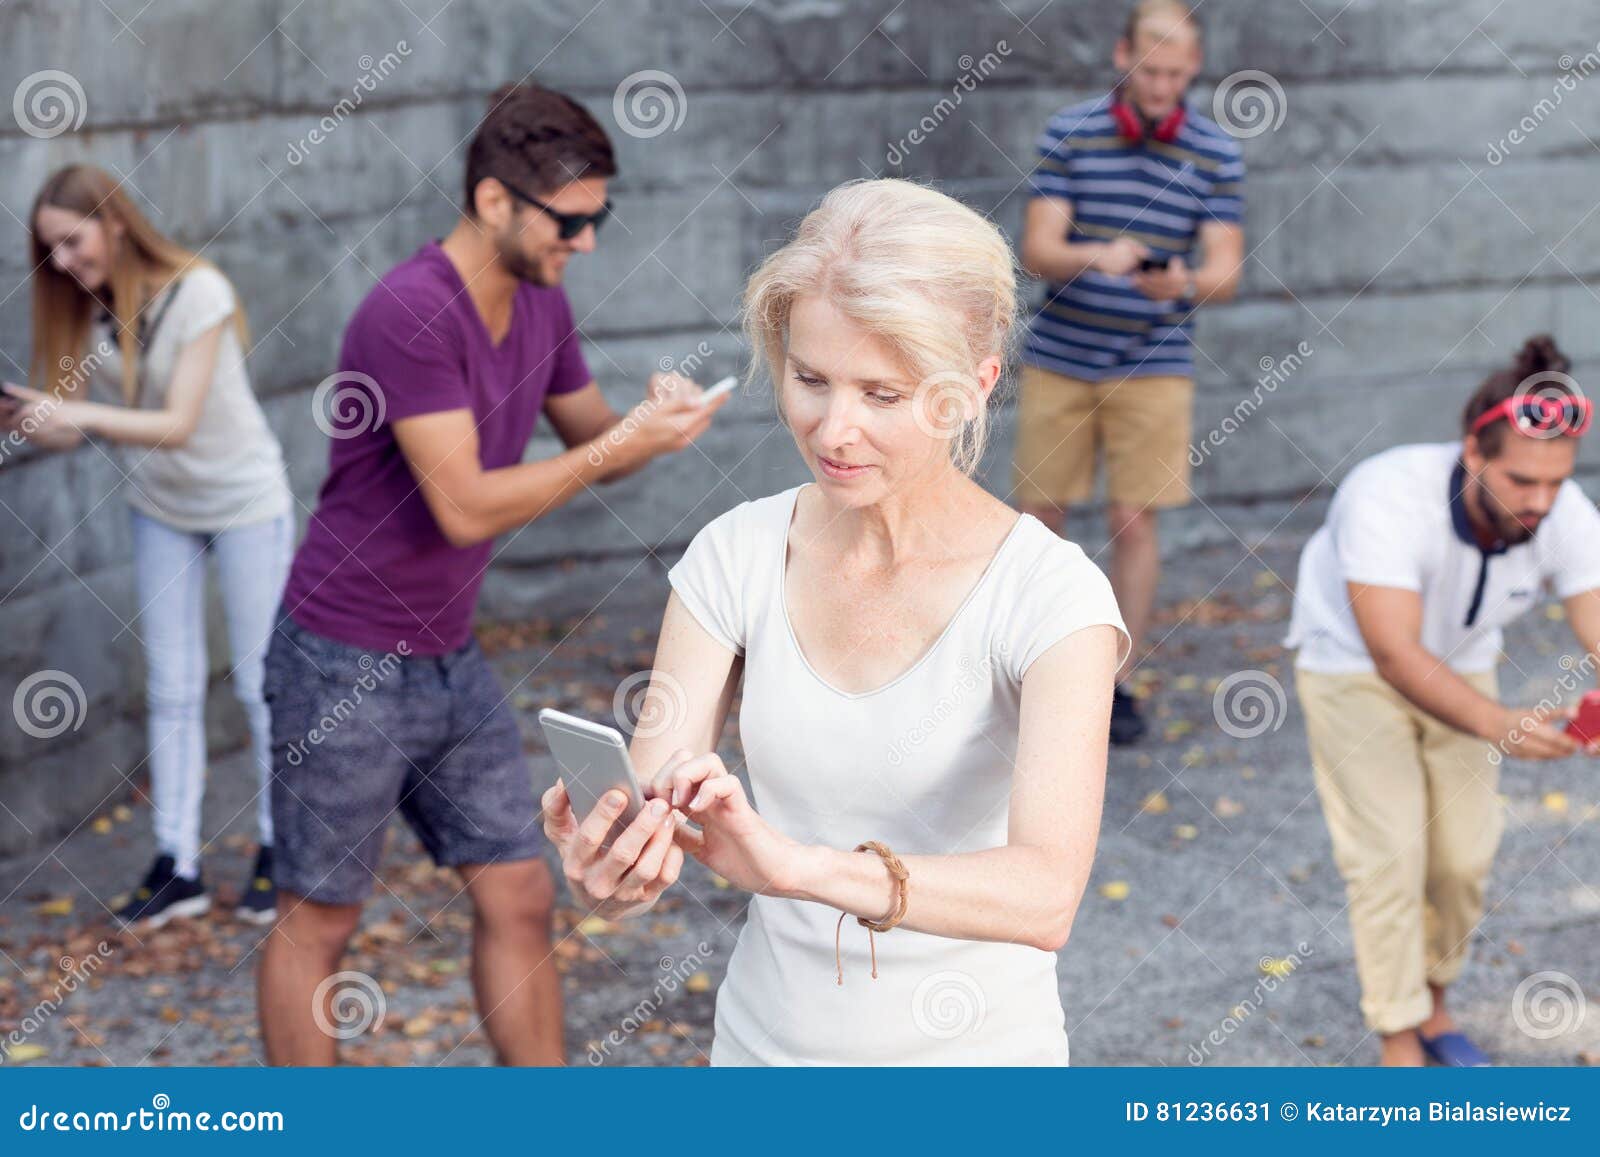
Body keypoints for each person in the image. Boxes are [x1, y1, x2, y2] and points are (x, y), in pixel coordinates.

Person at [540, 179, 1131, 1065]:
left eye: (882, 394)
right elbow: (648, 819)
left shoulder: (1052, 597)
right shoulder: (735, 555)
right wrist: (614, 869)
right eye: (810, 379)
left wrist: (798, 868)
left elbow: (1046, 895)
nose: (833, 430)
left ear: (973, 388)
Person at [255, 82, 727, 1067]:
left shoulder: (540, 298)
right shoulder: (409, 311)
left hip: (447, 654)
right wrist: (620, 445)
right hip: (341, 660)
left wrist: (657, 425)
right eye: (570, 221)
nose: (585, 242)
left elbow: (595, 441)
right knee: (319, 920)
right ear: (493, 200)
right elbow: (463, 505)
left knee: (518, 890)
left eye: (598, 219)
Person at [1286, 335, 1600, 1066]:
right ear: (1473, 454)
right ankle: (1398, 1033)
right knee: (1389, 856)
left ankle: (1433, 1002)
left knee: (1462, 858)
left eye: (1556, 482)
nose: (1540, 501)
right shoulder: (1386, 494)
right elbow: (1394, 652)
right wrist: (1502, 725)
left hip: (1463, 665)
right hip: (1353, 667)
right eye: (1522, 480)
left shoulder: (1564, 512)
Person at [5, 164, 293, 929]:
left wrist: (76, 413)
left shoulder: (199, 293)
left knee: (260, 681)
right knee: (171, 685)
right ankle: (177, 864)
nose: (62, 261)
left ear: (115, 223)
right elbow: (78, 427)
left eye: (72, 241)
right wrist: (29, 418)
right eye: (50, 249)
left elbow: (178, 422)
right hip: (161, 507)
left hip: (243, 502)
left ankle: (281, 847)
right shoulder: (90, 312)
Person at [1014, 0, 1244, 744]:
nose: (1162, 86)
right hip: (1062, 354)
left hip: (1156, 360)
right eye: (1151, 70)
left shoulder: (1216, 151)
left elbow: (1226, 272)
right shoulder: (1070, 131)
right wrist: (1098, 256)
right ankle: (1025, 667)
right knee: (1040, 517)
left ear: (1194, 69)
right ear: (1123, 56)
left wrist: (1181, 281)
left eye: (1177, 73)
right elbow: (1037, 250)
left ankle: (1113, 681)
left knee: (1134, 520)